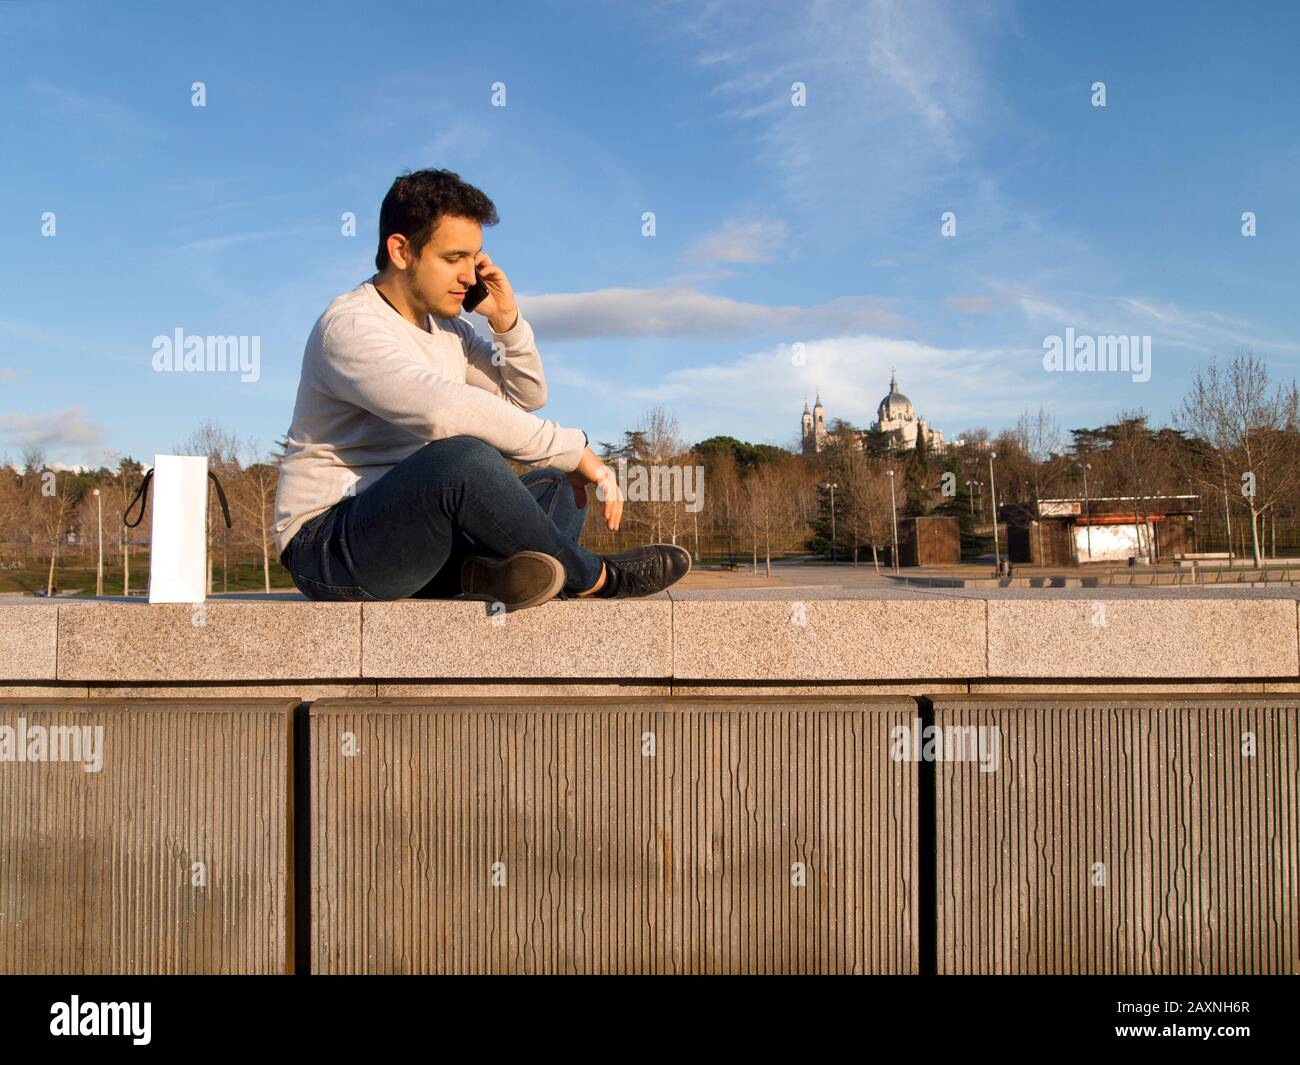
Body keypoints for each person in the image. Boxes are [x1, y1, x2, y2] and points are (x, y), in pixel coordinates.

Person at [272, 168, 690, 610]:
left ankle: (484, 574)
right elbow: (446, 411)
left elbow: (523, 399)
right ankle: (594, 576)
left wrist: (506, 320)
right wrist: (571, 446)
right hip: (331, 543)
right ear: (401, 250)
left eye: (475, 258)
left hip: (424, 534)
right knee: (464, 459)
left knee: (558, 485)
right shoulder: (351, 327)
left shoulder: (451, 328)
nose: (470, 276)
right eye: (453, 258)